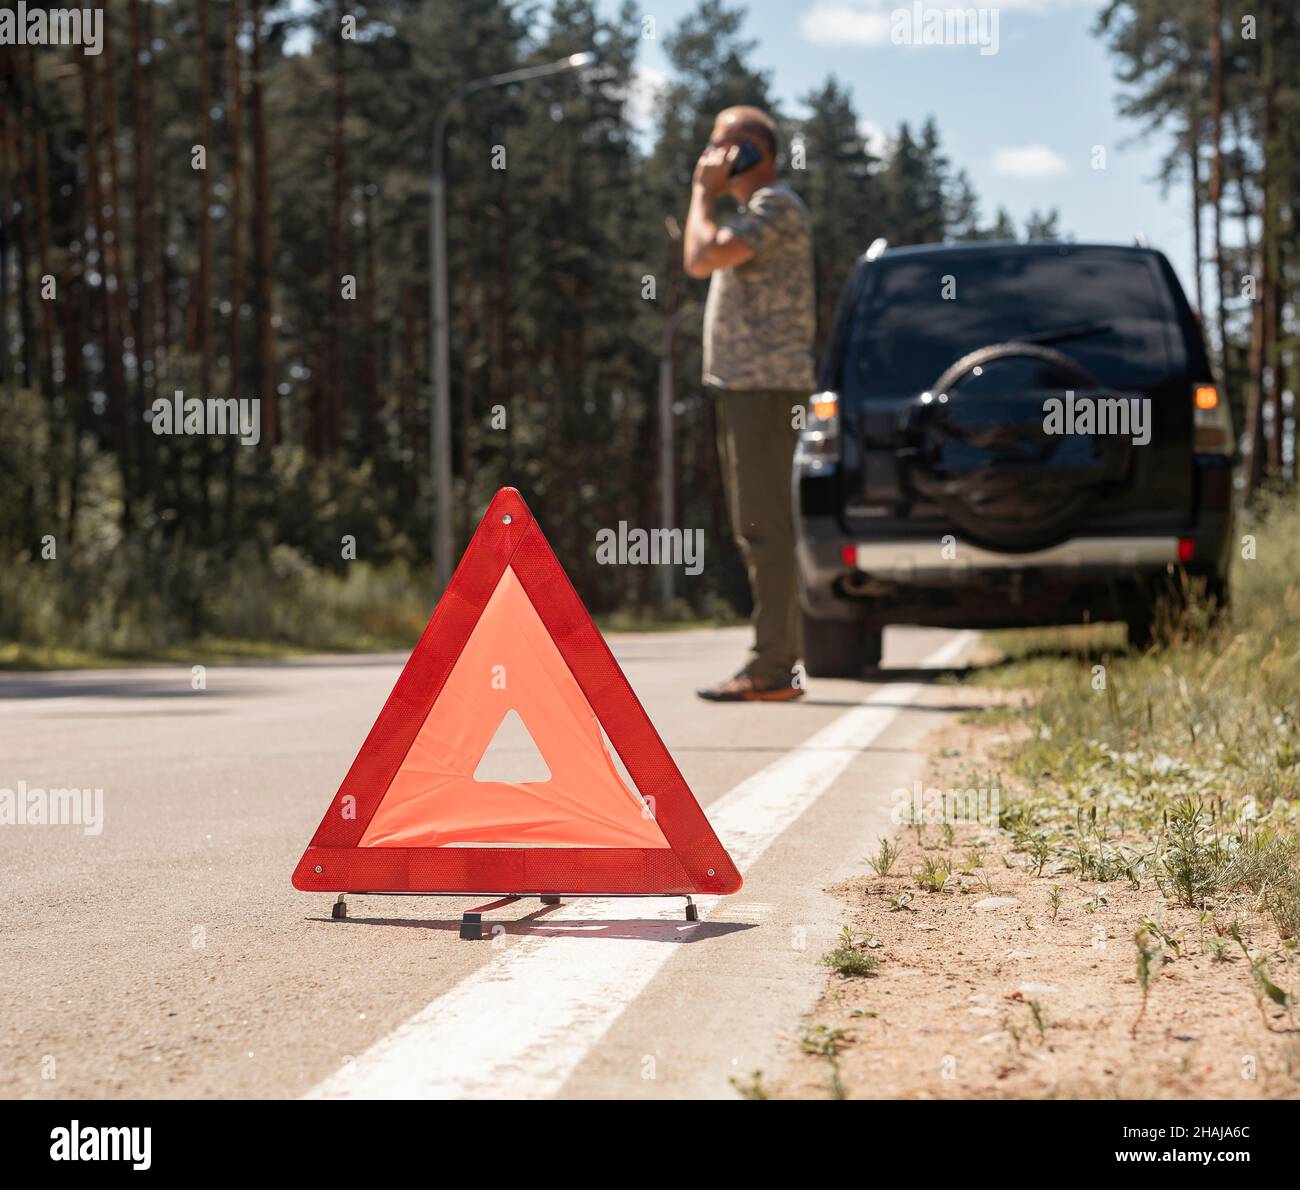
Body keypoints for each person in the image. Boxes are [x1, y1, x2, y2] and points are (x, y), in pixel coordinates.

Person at [683, 106, 815, 702]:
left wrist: (700, 195)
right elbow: (701, 257)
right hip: (747, 386)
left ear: (751, 150)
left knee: (764, 525)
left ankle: (773, 666)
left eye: (721, 145)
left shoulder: (774, 206)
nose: (710, 156)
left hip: (765, 386)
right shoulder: (759, 212)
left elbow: (700, 257)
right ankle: (777, 659)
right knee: (757, 524)